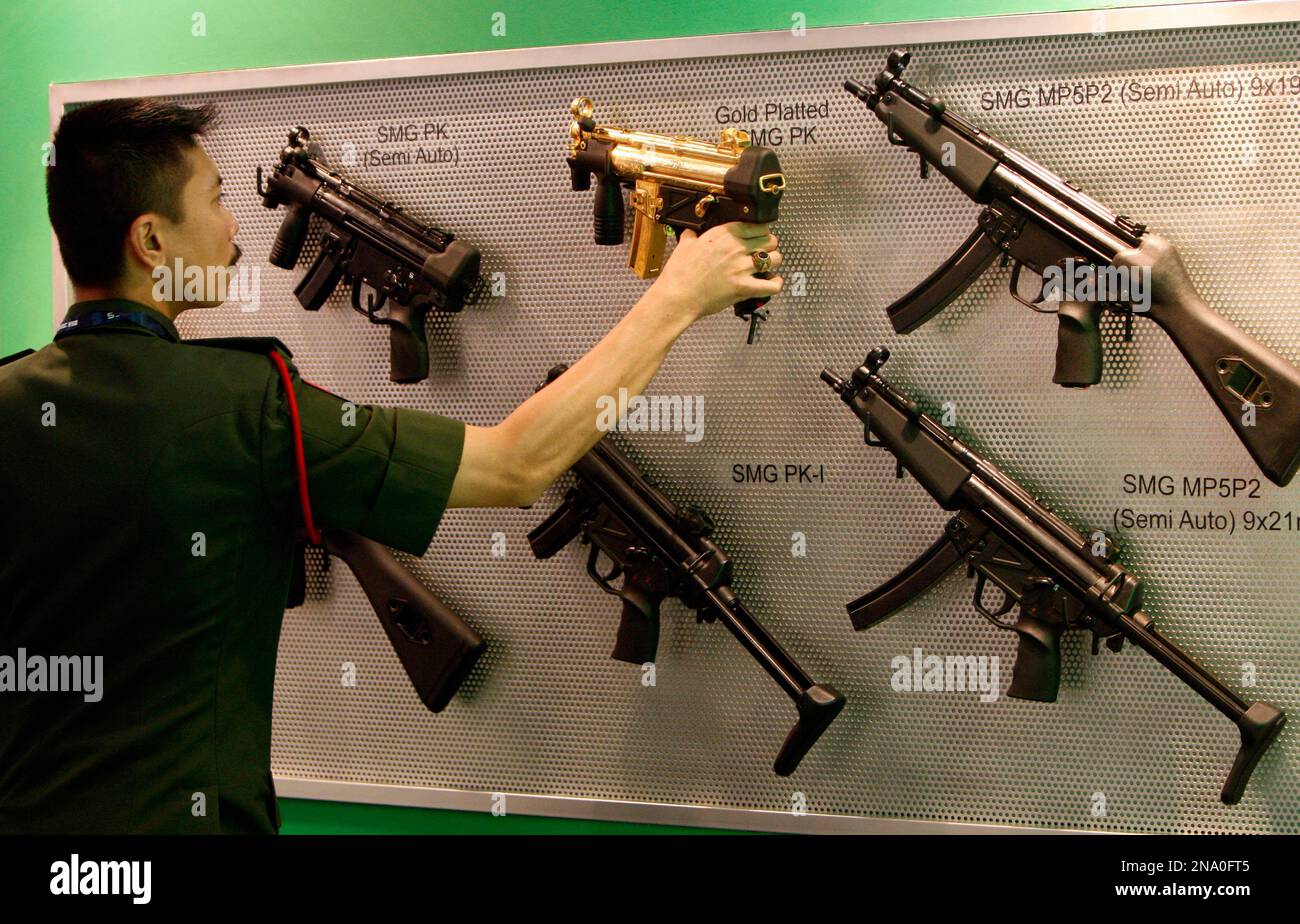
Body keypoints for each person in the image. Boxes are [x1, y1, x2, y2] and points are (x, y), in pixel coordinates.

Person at [0, 98, 781, 834]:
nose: (234, 223)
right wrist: (677, 297)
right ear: (151, 241)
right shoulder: (248, 409)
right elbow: (516, 464)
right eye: (214, 198)